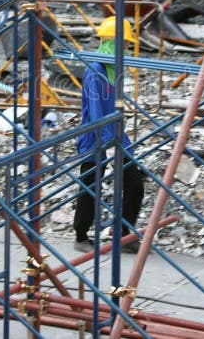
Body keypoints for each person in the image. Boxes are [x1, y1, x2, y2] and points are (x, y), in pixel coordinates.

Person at [73, 15, 145, 253]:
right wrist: (108, 143)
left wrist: (118, 141)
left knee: (134, 184)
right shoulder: (96, 70)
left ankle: (123, 234)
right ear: (112, 41)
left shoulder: (115, 69)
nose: (126, 47)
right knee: (90, 186)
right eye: (124, 42)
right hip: (95, 138)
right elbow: (96, 112)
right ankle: (81, 236)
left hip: (116, 136)